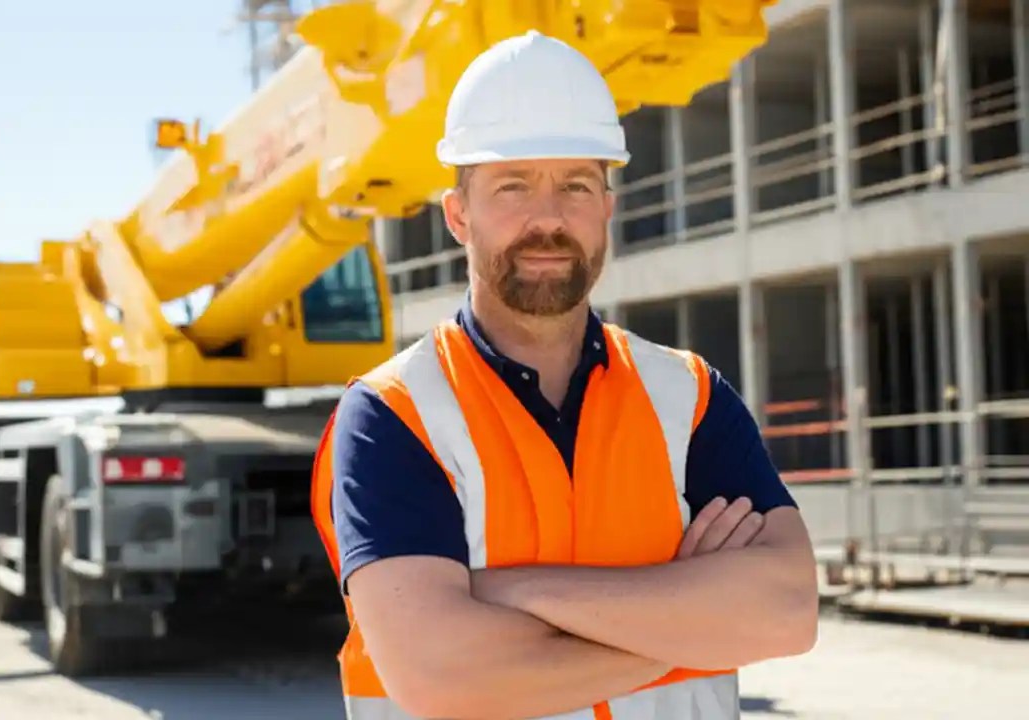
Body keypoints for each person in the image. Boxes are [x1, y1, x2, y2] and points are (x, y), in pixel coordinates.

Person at [311, 30, 818, 720]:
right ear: (459, 216)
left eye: (576, 185)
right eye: (513, 186)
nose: (548, 219)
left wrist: (515, 591)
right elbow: (440, 678)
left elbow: (786, 611)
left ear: (607, 207)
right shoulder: (394, 415)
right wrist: (697, 614)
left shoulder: (690, 397)